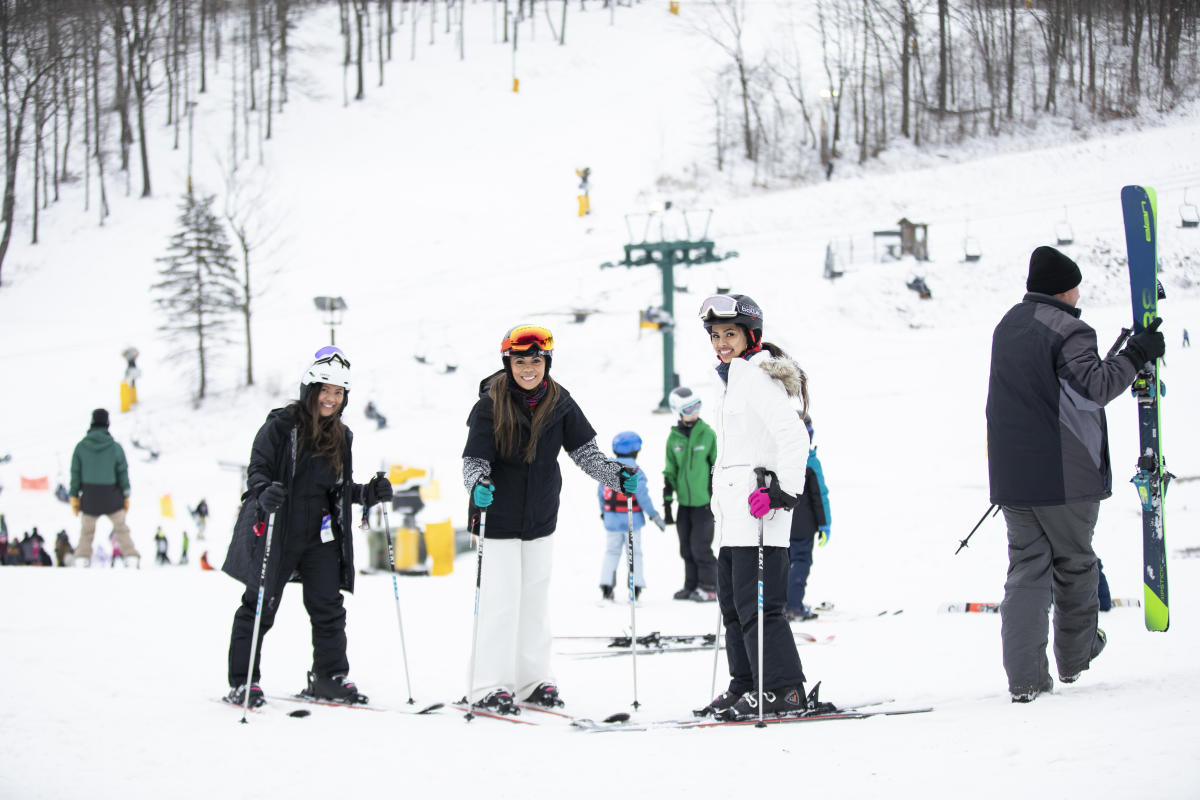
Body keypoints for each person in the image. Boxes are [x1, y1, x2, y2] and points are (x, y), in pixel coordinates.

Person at [986, 245, 1165, 704]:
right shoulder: (1070, 328)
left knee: (1026, 570)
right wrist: (1138, 352)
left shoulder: (1008, 324)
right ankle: (1076, 655)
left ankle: (1025, 679)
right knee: (1076, 564)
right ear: (1066, 289)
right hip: (1063, 475)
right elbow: (1096, 386)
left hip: (1013, 475)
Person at [462, 324, 637, 714]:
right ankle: (488, 684)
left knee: (534, 603)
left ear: (547, 362)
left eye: (535, 361)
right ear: (508, 364)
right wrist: (477, 485)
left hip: (540, 518)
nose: (528, 369)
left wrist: (615, 475)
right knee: (501, 603)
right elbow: (474, 460)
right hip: (498, 518)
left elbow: (585, 453)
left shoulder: (560, 402)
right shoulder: (489, 405)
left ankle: (533, 680)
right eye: (520, 361)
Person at [221, 346, 393, 708]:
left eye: (338, 392)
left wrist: (368, 493)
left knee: (329, 607)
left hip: (322, 535)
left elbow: (338, 488)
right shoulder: (281, 426)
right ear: (309, 389)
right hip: (279, 527)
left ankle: (329, 677)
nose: (331, 399)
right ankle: (243, 682)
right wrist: (265, 492)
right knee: (259, 606)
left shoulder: (342, 437)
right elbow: (258, 471)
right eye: (325, 390)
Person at [692, 294, 812, 721]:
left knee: (760, 609)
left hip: (762, 516)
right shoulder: (732, 380)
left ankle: (784, 690)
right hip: (733, 522)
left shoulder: (757, 377)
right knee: (734, 610)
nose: (721, 342)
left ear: (750, 335)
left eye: (729, 334)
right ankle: (746, 683)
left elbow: (795, 438)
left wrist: (785, 492)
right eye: (715, 336)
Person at [662, 386, 718, 602]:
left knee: (700, 546)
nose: (694, 413)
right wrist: (667, 502)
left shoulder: (708, 434)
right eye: (688, 409)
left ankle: (710, 586)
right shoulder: (673, 438)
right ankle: (691, 585)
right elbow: (670, 470)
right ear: (678, 411)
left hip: (704, 503)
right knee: (686, 547)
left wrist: (714, 493)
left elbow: (716, 465)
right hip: (684, 504)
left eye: (697, 407)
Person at [597, 431, 666, 601]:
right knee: (634, 553)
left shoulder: (607, 469)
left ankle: (607, 586)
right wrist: (654, 516)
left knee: (611, 552)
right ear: (636, 451)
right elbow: (642, 496)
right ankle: (635, 587)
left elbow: (600, 493)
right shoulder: (636, 471)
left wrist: (603, 513)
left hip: (612, 519)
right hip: (631, 520)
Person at [69, 408, 140, 568]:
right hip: (112, 495)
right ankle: (131, 557)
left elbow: (75, 473)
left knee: (86, 531)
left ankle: (82, 558)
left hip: (90, 496)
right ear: (107, 423)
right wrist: (126, 494)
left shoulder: (81, 447)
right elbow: (122, 471)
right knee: (121, 528)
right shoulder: (115, 447)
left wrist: (74, 495)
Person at [785, 415, 832, 622]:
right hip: (803, 527)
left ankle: (782, 605)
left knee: (784, 565)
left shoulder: (780, 459)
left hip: (782, 525)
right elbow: (819, 496)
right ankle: (794, 606)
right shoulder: (811, 462)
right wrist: (825, 524)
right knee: (801, 562)